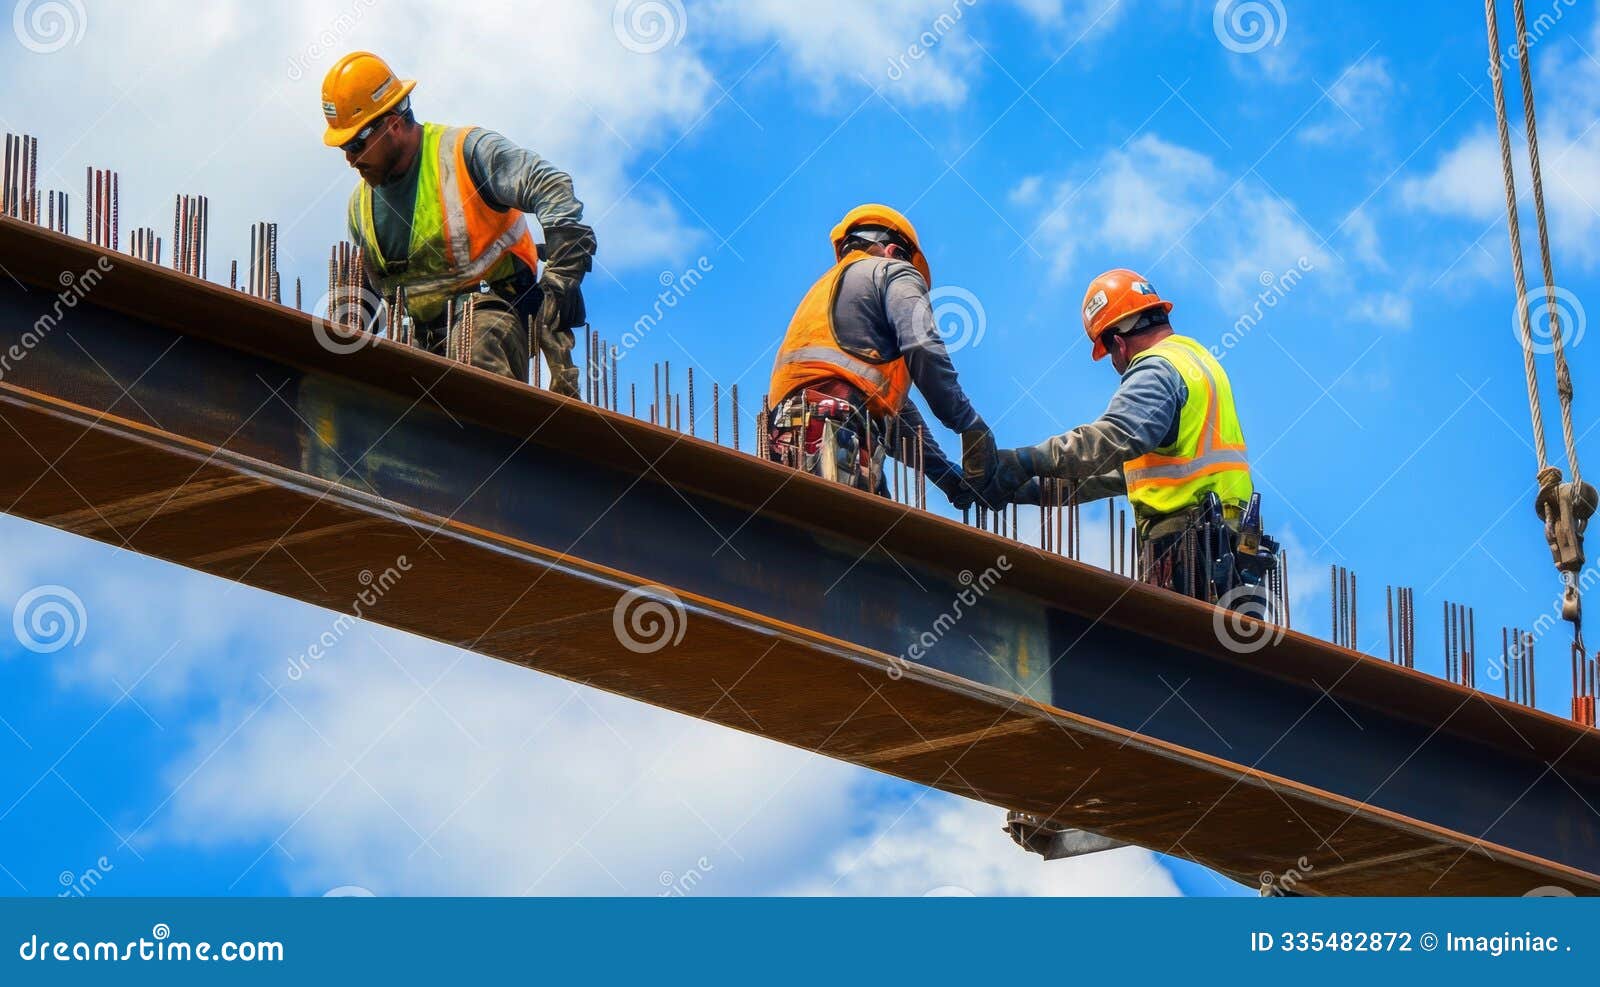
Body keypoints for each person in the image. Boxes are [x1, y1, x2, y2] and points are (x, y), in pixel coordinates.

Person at [989, 268, 1275, 604]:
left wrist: (1024, 460)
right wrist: (1018, 488)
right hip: (1231, 553)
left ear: (1119, 344)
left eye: (1109, 353)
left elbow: (1113, 438)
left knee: (1173, 635)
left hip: (1187, 550)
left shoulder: (1156, 368)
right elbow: (1111, 474)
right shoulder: (1197, 362)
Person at [320, 51, 594, 396]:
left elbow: (550, 185)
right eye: (344, 147)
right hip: (421, 337)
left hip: (493, 313)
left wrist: (563, 272)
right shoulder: (361, 207)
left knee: (474, 357)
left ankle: (486, 427)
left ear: (392, 124)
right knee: (393, 396)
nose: (350, 159)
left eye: (356, 143)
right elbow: (363, 300)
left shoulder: (463, 154)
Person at [767, 204, 996, 507]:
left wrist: (944, 473)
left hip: (789, 432)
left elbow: (894, 411)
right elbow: (922, 347)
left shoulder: (827, 290)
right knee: (854, 529)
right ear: (894, 251)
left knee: (811, 525)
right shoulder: (892, 271)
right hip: (836, 428)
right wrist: (969, 423)